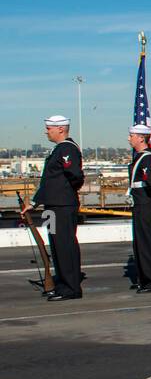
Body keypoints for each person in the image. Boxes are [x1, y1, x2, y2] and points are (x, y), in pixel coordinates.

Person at [26, 115, 84, 300]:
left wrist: (65, 192)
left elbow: (75, 175)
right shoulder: (58, 150)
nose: (46, 131)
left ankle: (71, 288)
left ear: (60, 129)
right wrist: (34, 203)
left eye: (49, 128)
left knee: (65, 246)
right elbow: (48, 182)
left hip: (62, 205)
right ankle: (62, 284)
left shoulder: (67, 149)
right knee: (56, 246)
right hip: (52, 206)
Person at [126, 124, 151, 293]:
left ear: (141, 138)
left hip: (146, 204)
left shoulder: (148, 158)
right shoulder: (140, 157)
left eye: (132, 135)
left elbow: (150, 183)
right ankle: (145, 278)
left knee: (147, 243)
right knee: (140, 243)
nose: (129, 138)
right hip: (139, 203)